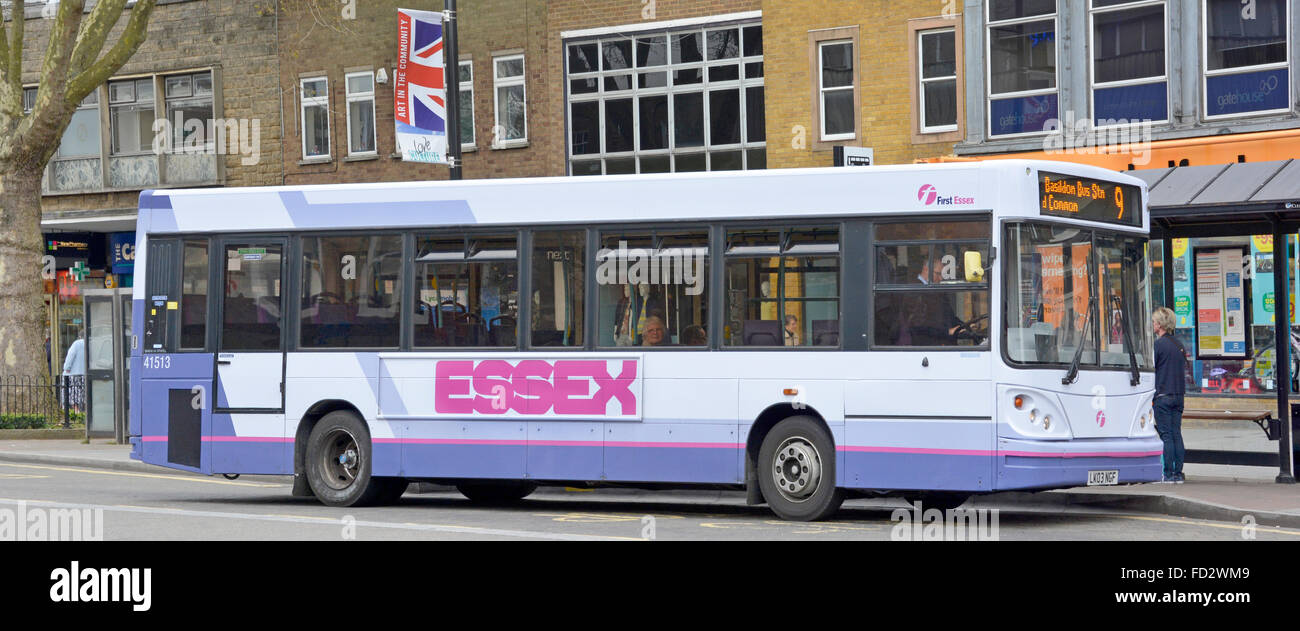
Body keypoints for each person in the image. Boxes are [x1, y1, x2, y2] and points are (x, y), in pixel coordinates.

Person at [1152, 306, 1186, 484]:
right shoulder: (1179, 345)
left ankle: (1168, 473)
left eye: (1154, 322)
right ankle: (1178, 473)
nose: (1152, 324)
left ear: (1159, 325)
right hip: (1179, 395)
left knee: (1166, 435)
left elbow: (1152, 370)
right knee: (1176, 433)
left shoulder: (1157, 346)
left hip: (1163, 395)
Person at [62, 329, 86, 413]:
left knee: (74, 393)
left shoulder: (77, 343)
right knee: (84, 392)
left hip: (75, 373)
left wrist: (66, 368)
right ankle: (84, 411)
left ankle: (76, 411)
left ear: (79, 336)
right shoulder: (90, 344)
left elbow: (70, 356)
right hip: (85, 374)